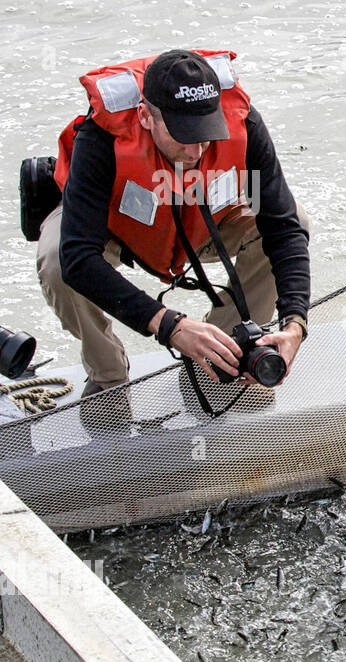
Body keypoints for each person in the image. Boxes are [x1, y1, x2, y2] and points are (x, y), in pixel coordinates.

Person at [31, 49, 311, 419]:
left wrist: (295, 325)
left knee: (298, 221)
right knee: (55, 260)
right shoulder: (101, 139)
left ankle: (220, 355)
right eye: (183, 136)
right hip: (116, 226)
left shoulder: (244, 124)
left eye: (205, 135)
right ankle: (108, 376)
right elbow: (78, 258)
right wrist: (171, 325)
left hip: (201, 219)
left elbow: (283, 226)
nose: (196, 151)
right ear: (146, 116)